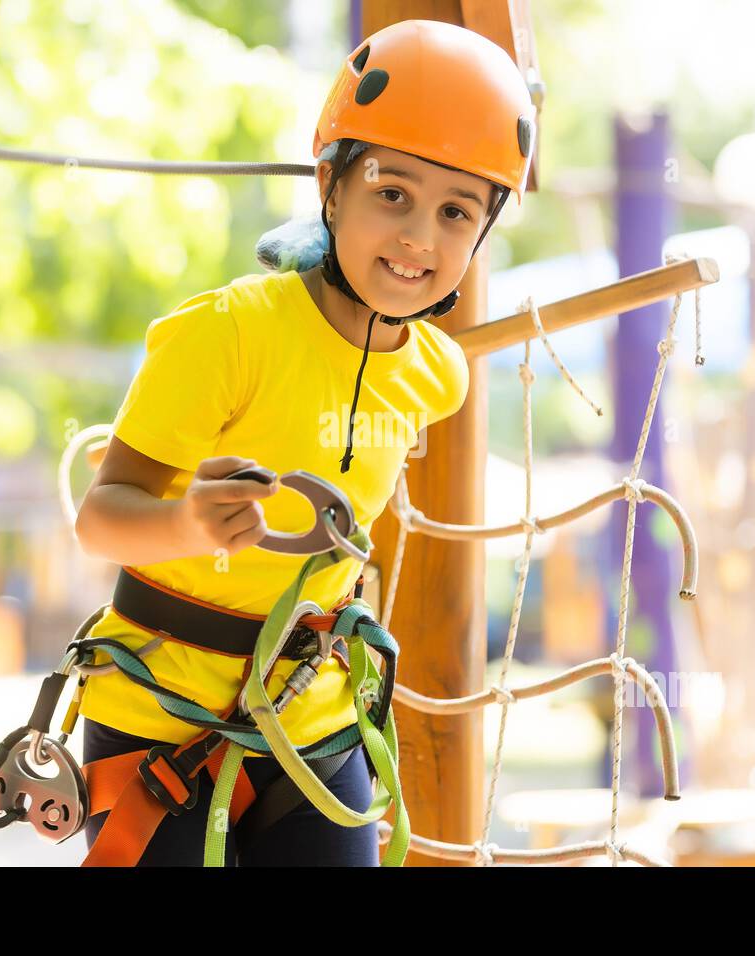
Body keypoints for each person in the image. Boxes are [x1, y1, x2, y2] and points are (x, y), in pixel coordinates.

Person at [71, 18, 536, 866]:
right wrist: (185, 527)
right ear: (331, 184)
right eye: (391, 193)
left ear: (482, 232)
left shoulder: (438, 377)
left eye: (456, 211)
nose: (418, 240)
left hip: (311, 720)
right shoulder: (229, 334)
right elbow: (99, 520)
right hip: (157, 719)